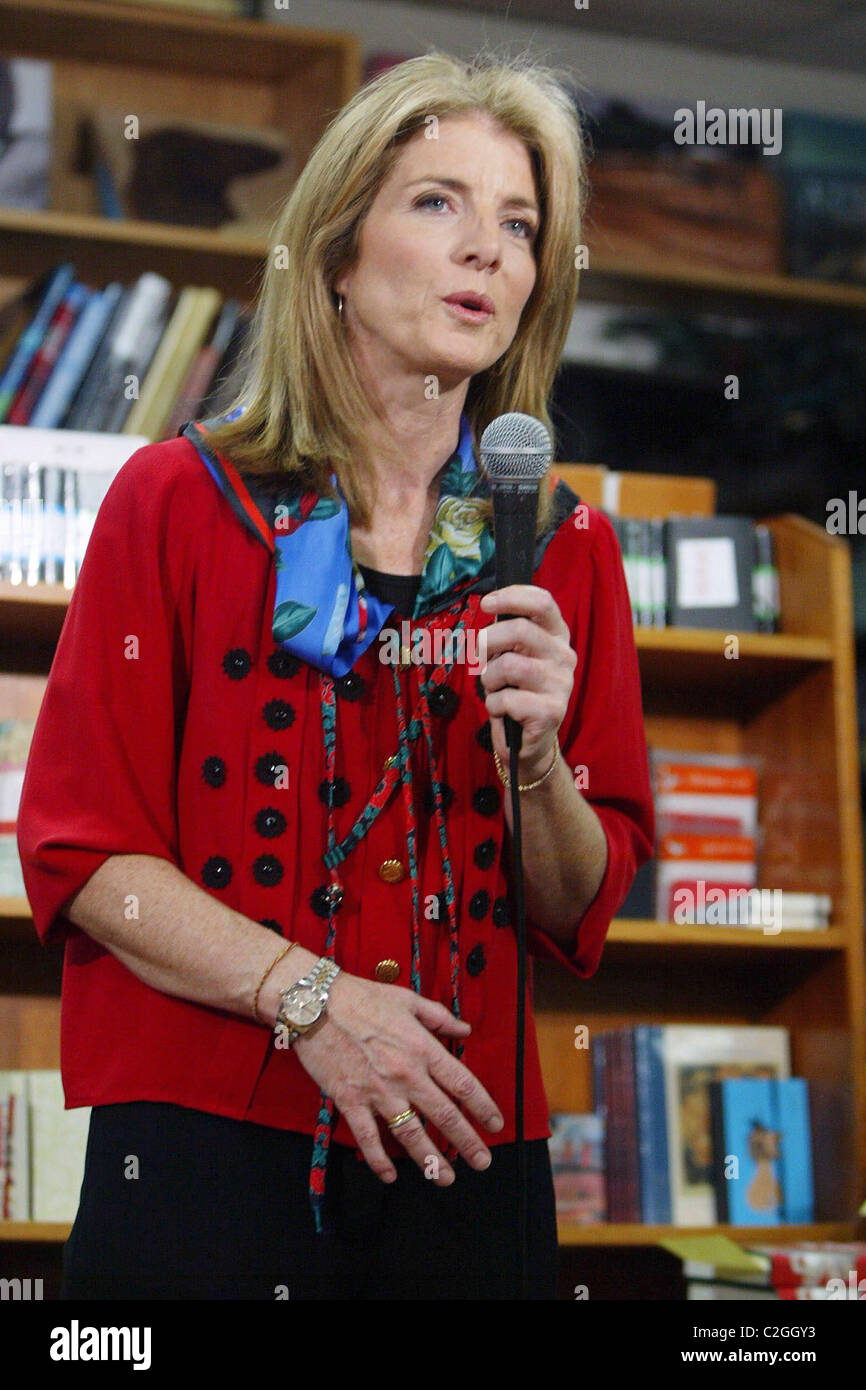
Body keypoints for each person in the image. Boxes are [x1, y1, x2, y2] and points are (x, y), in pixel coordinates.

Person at [17, 51, 654, 1301]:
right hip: (206, 1149)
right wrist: (311, 1000)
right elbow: (83, 858)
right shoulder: (176, 503)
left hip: (465, 1149)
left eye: (518, 225)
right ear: (337, 256)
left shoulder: (564, 544)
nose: (487, 249)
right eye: (437, 202)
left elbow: (577, 899)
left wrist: (538, 767)